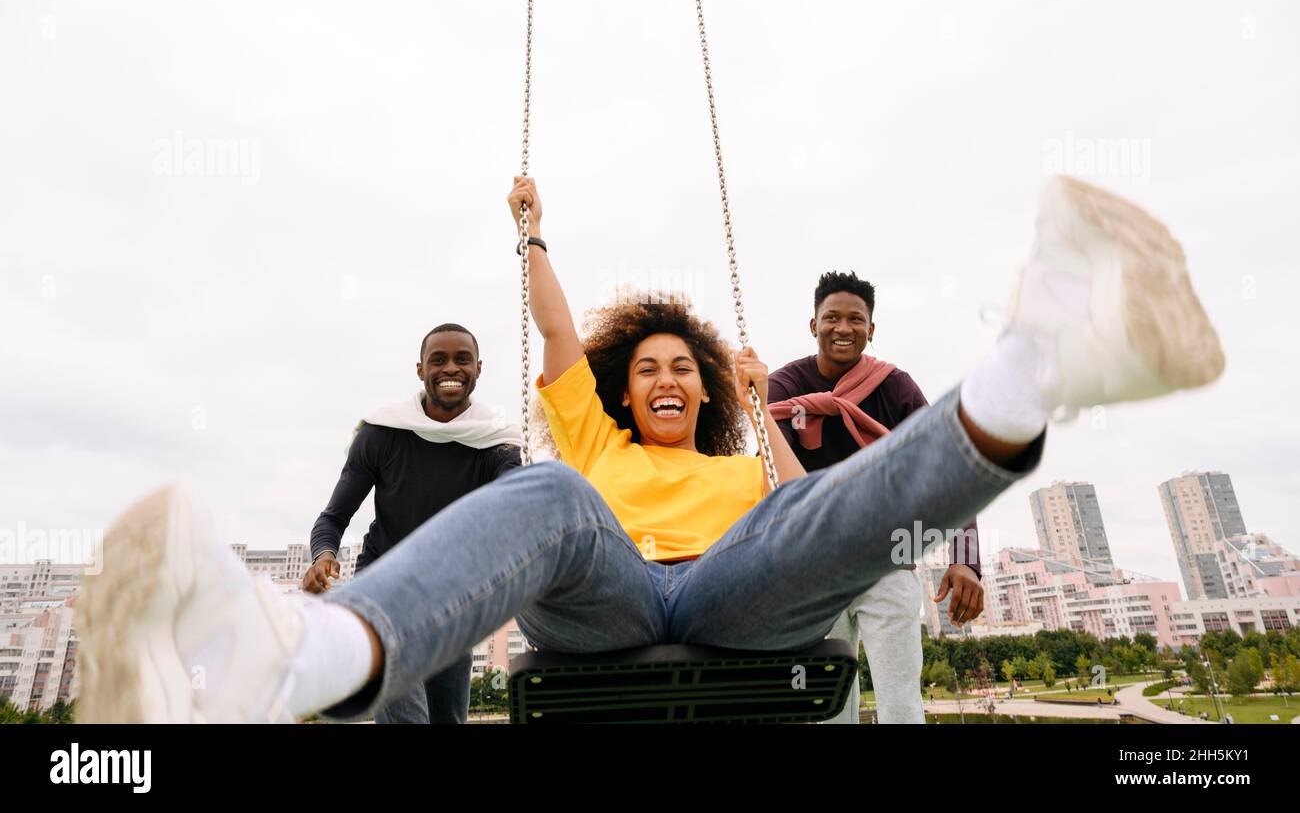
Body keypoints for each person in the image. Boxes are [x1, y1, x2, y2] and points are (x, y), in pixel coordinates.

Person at [73, 174, 1225, 723]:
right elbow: (561, 330)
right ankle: (302, 660)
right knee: (552, 492)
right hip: (611, 597)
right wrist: (530, 232)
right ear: (622, 389)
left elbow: (814, 507)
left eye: (686, 365)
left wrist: (758, 403)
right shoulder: (591, 435)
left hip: (738, 598)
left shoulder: (739, 457)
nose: (668, 376)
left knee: (799, 509)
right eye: (650, 368)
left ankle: (1039, 364)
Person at [767, 270, 981, 724]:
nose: (843, 328)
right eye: (832, 318)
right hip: (814, 570)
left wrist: (965, 558)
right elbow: (761, 469)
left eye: (855, 319)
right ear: (813, 325)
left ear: (871, 329)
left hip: (887, 561)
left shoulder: (894, 387)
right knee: (827, 710)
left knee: (902, 704)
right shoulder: (786, 387)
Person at [302, 323, 522, 723]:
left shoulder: (497, 442)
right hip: (385, 586)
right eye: (438, 360)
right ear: (420, 370)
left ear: (479, 368)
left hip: (452, 595)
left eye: (462, 359)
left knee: (447, 718)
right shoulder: (383, 432)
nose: (450, 368)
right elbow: (332, 519)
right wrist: (324, 556)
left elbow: (516, 517)